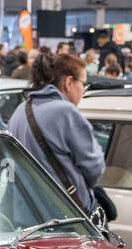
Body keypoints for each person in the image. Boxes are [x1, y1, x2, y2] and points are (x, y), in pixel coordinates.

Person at [7, 50, 105, 216]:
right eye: (83, 84)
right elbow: (94, 169)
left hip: (26, 215)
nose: (84, 90)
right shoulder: (66, 113)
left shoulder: (20, 111)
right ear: (69, 82)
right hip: (65, 215)